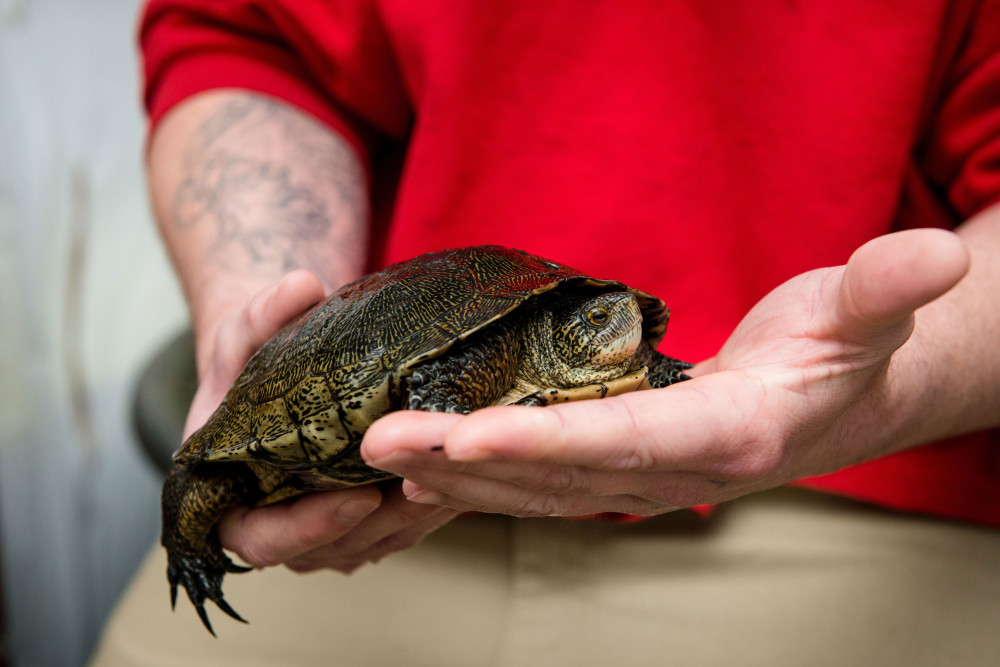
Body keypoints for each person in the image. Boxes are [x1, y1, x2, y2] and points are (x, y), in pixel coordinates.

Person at [93, 1, 1000, 664]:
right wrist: (264, 308)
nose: (616, 332)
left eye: (616, 322)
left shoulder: (620, 351)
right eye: (596, 321)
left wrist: (876, 388)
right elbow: (249, 39)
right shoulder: (503, 340)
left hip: (851, 500)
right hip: (371, 533)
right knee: (197, 510)